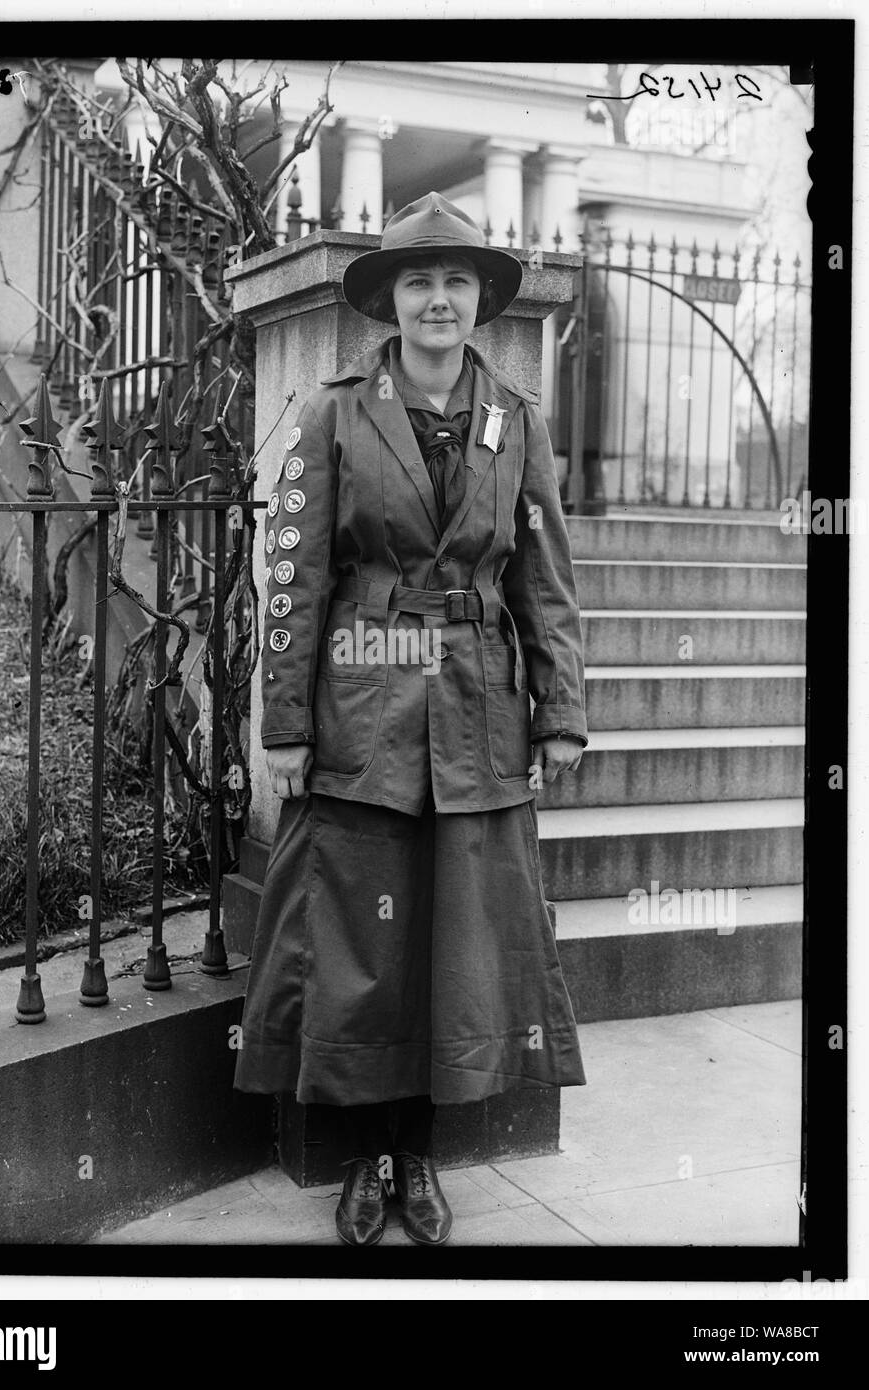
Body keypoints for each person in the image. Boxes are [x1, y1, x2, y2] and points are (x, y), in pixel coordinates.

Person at [233, 190, 588, 1247]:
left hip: (477, 702)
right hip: (366, 697)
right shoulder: (333, 412)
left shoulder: (516, 419)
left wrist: (559, 711)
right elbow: (293, 581)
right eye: (419, 281)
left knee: (456, 944)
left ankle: (421, 1158)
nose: (439, 299)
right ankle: (366, 1158)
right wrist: (286, 725)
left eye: (456, 281)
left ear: (480, 300)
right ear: (390, 301)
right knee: (358, 943)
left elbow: (545, 579)